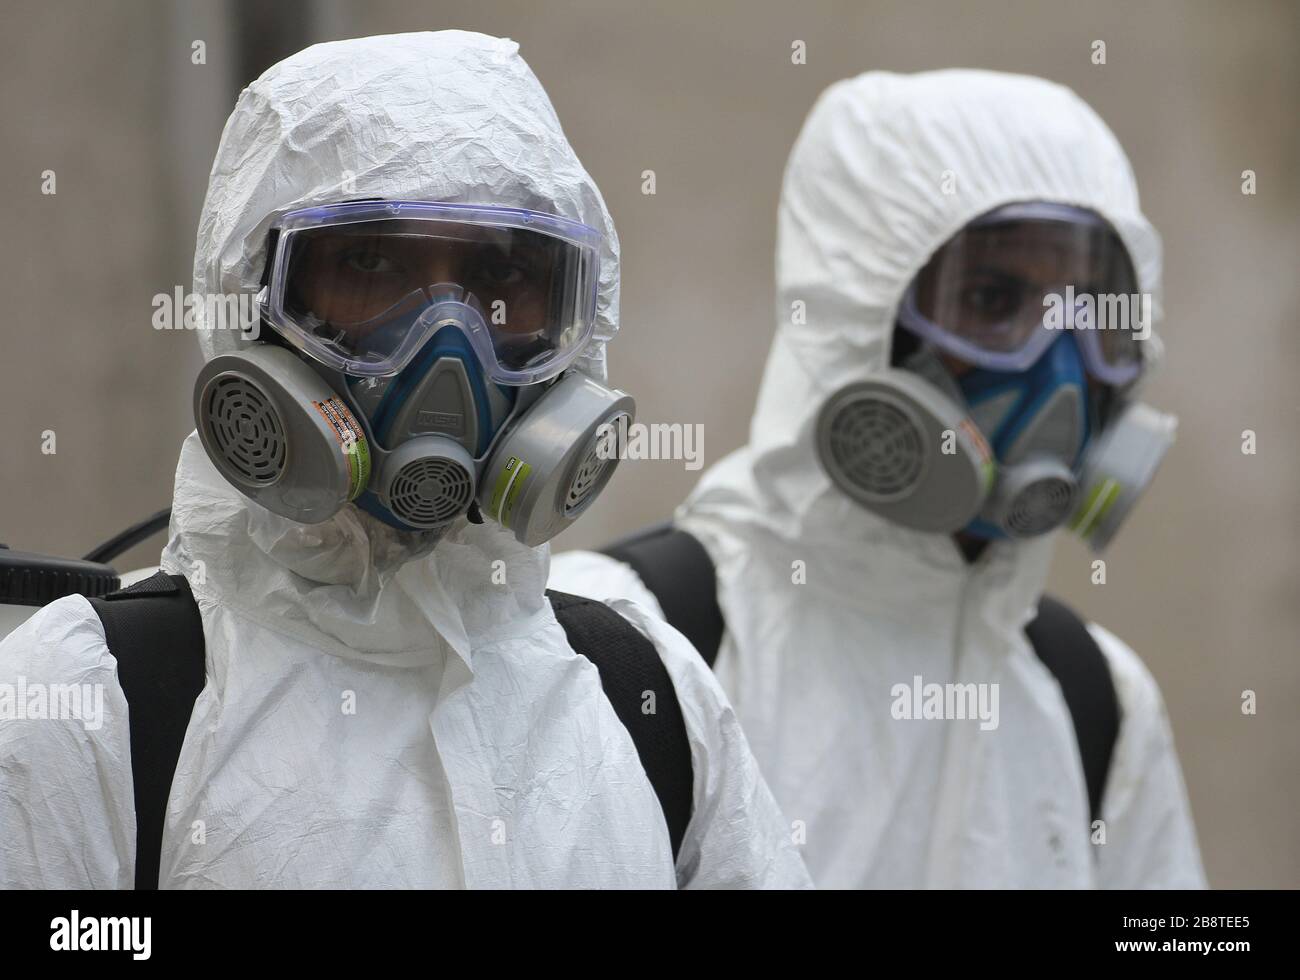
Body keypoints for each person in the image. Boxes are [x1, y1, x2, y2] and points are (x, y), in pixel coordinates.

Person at [0, 31, 810, 890]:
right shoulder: (89, 708)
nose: (448, 344)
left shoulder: (646, 697)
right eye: (369, 264)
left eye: (503, 276)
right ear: (255, 308)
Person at [550, 70, 1206, 888]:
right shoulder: (627, 649)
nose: (1062, 371)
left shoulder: (1095, 699)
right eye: (993, 298)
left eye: (1093, 314)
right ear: (857, 323)